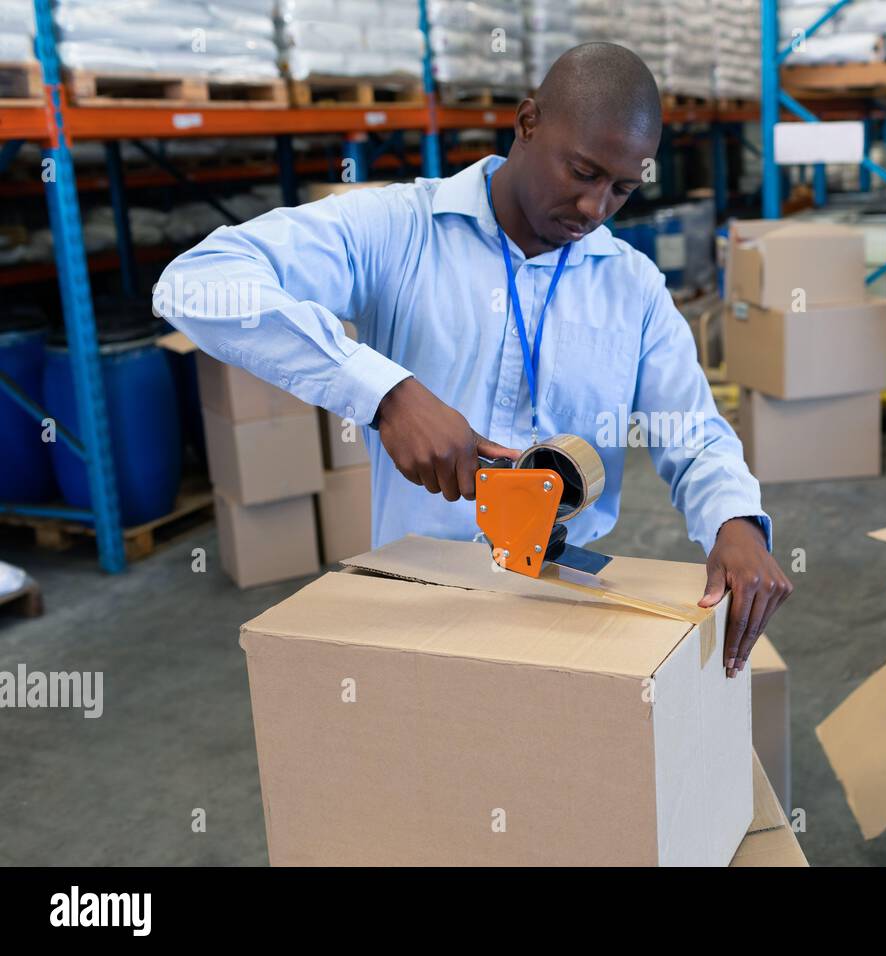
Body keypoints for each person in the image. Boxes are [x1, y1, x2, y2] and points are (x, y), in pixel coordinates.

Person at [157, 43, 791, 676]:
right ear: (526, 123)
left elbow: (695, 432)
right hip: (414, 593)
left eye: (622, 189)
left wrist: (735, 521)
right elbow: (197, 281)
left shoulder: (633, 287)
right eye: (583, 173)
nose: (596, 210)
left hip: (566, 594)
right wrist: (386, 394)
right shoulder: (399, 231)